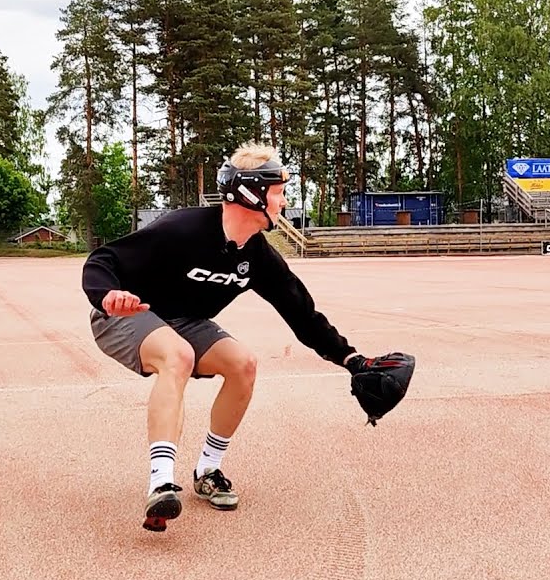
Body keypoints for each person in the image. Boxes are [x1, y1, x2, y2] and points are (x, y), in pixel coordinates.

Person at [81, 141, 398, 532]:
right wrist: (108, 295)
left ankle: (207, 471)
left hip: (184, 322)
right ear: (251, 193)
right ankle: (160, 482)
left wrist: (351, 360)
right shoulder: (183, 229)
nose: (283, 202)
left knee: (243, 364)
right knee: (178, 356)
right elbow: (103, 260)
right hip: (124, 315)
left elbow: (302, 313)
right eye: (278, 192)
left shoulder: (259, 256)